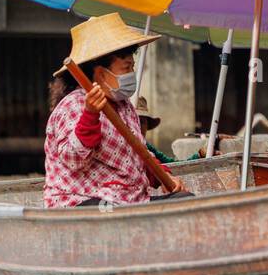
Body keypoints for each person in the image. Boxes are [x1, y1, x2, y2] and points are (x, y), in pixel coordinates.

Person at [43, 13, 188, 208]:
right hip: (81, 200)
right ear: (100, 73)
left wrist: (163, 178)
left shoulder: (125, 106)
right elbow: (72, 159)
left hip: (127, 200)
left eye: (132, 67)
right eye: (126, 67)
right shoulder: (73, 105)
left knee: (185, 201)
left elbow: (138, 153)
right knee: (109, 210)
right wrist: (90, 115)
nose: (131, 74)